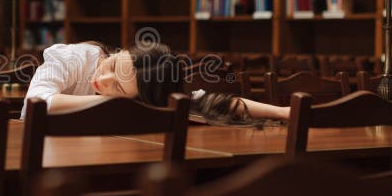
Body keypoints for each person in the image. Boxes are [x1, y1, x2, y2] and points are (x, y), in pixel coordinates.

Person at [19, 41, 289, 122]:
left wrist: (284, 112)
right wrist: (114, 99)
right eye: (112, 65)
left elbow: (209, 101)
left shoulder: (150, 90)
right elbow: (35, 102)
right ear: (119, 52)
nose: (102, 79)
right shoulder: (76, 59)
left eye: (119, 86)